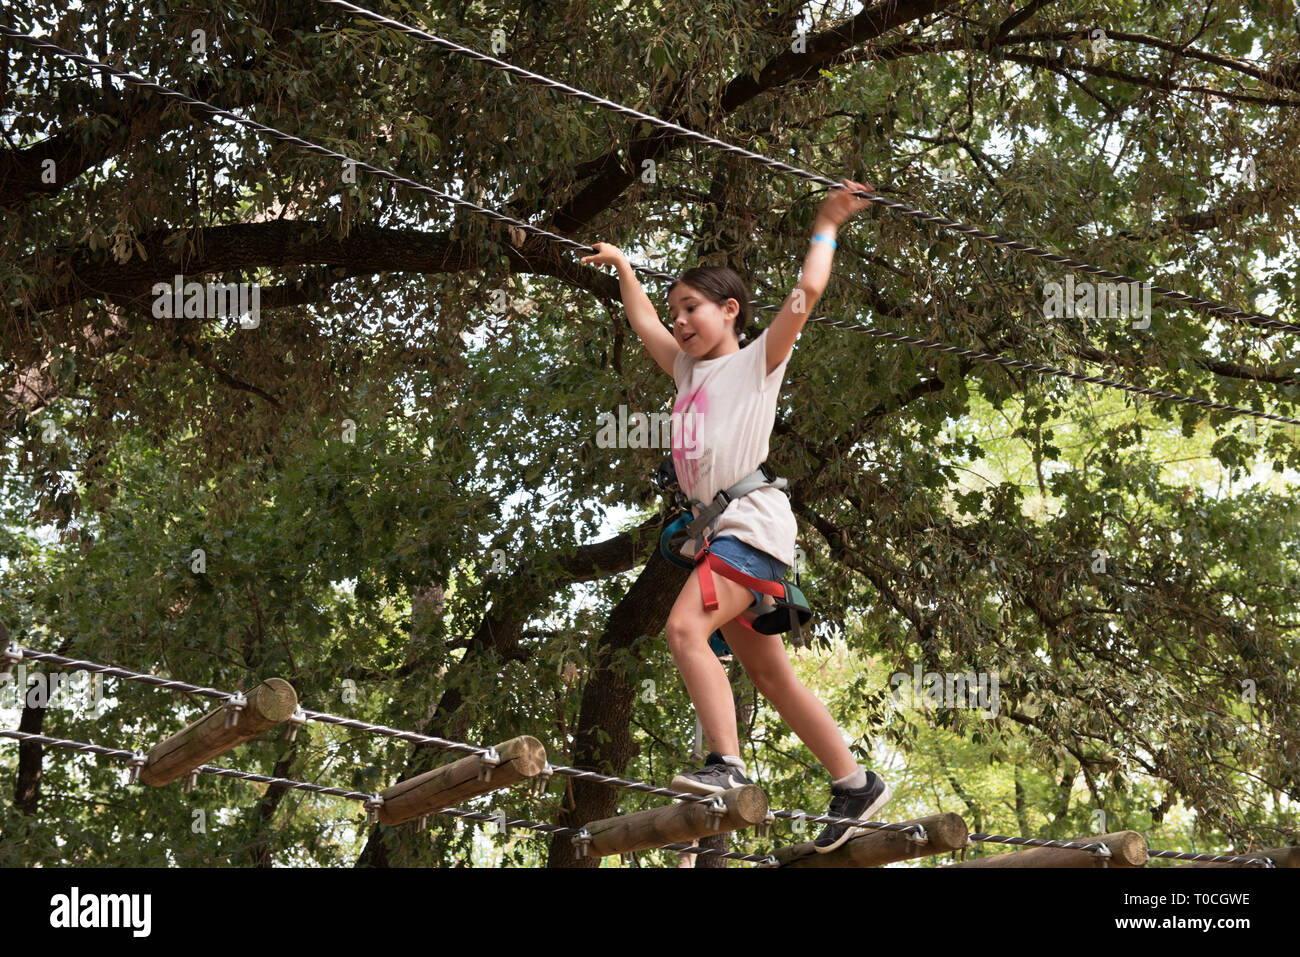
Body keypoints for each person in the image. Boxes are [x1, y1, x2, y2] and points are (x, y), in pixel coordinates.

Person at [579, 178, 891, 852]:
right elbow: (642, 324)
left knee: (685, 627)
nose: (681, 322)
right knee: (768, 672)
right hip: (726, 532)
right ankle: (854, 779)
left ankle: (724, 765)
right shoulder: (687, 374)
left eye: (692, 309)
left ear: (730, 310)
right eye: (676, 311)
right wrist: (628, 268)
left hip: (753, 524)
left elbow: (805, 296)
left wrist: (828, 220)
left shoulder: (757, 363)